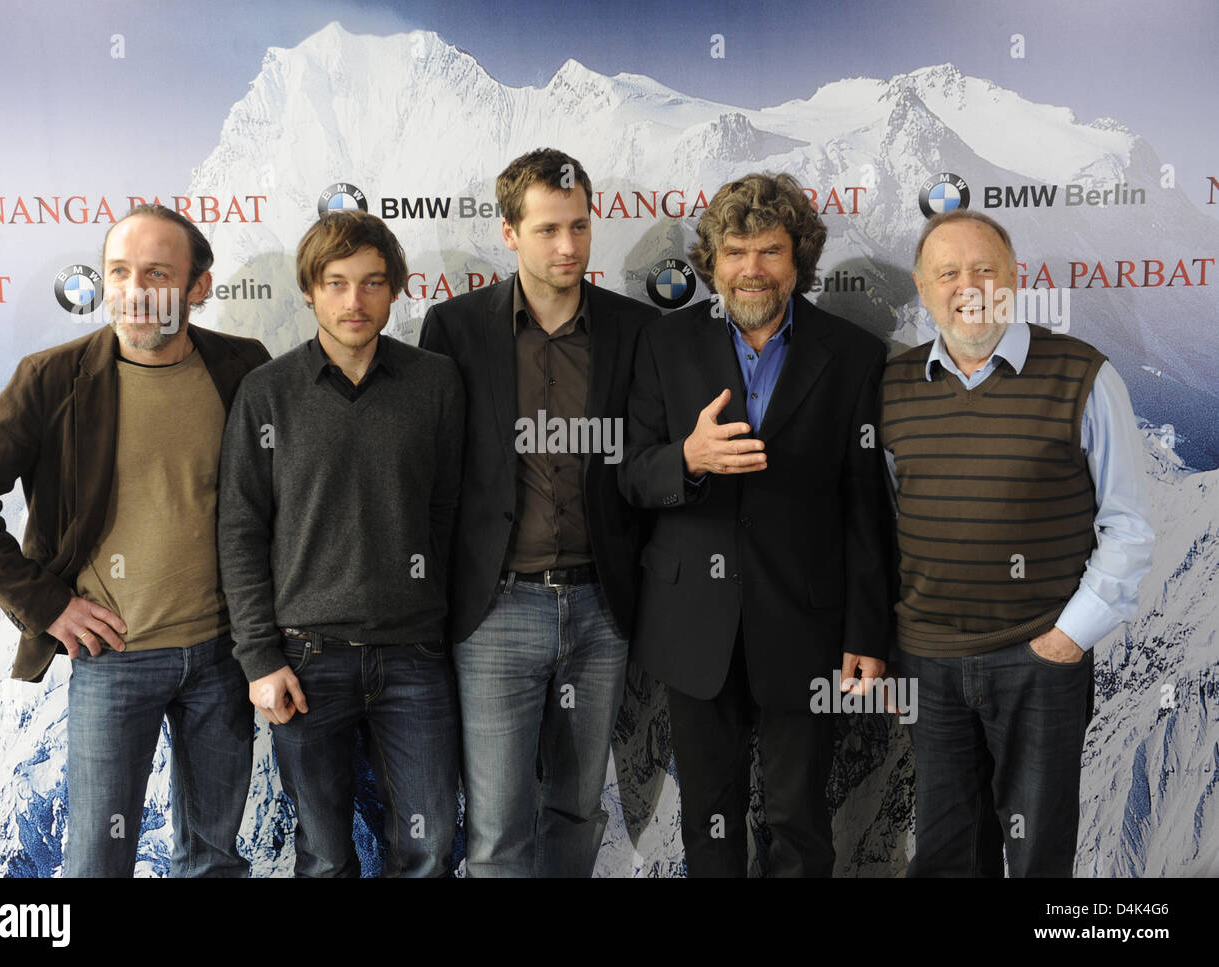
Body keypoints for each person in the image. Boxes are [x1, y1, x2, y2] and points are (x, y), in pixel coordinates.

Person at [0, 204, 270, 876]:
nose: (134, 290)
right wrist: (46, 605)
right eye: (119, 271)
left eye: (157, 273)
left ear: (199, 286)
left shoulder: (243, 366)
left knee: (214, 858)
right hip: (116, 659)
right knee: (95, 862)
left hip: (225, 657)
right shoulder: (52, 378)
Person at [618, 172, 891, 876]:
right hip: (692, 624)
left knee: (798, 819)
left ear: (799, 255)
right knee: (709, 818)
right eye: (735, 252)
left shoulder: (853, 356)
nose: (751, 270)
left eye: (770, 251)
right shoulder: (665, 344)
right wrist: (689, 456)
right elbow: (632, 475)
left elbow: (865, 504)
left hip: (804, 619)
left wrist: (866, 630)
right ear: (711, 259)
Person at [881, 208, 1154, 876]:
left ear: (1014, 278)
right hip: (930, 665)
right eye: (949, 272)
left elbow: (1128, 526)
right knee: (948, 852)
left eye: (984, 269)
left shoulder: (1082, 375)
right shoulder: (893, 387)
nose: (967, 285)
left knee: (1037, 854)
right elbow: (888, 521)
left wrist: (1067, 637)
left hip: (1038, 663)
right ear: (924, 287)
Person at [418, 148, 659, 876]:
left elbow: (645, 463)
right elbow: (436, 476)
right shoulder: (454, 327)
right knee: (496, 827)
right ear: (509, 232)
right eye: (549, 229)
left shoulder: (634, 328)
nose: (568, 246)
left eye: (580, 227)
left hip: (600, 607)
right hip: (496, 610)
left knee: (576, 811)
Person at [218, 210, 464, 877]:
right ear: (309, 290)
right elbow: (240, 531)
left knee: (431, 845)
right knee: (324, 856)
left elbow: (446, 511)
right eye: (336, 283)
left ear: (394, 290)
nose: (354, 301)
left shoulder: (435, 383)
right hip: (304, 661)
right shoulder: (266, 393)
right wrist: (260, 659)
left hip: (413, 656)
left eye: (371, 283)